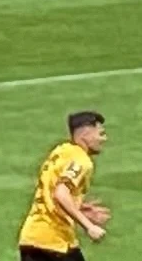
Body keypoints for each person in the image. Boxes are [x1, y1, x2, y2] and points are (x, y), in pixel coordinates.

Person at [18, 110, 110, 260]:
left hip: (31, 238)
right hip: (54, 241)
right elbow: (60, 193)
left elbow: (50, 190)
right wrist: (89, 226)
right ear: (85, 135)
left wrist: (79, 208)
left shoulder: (60, 151)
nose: (104, 139)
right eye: (100, 134)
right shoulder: (81, 161)